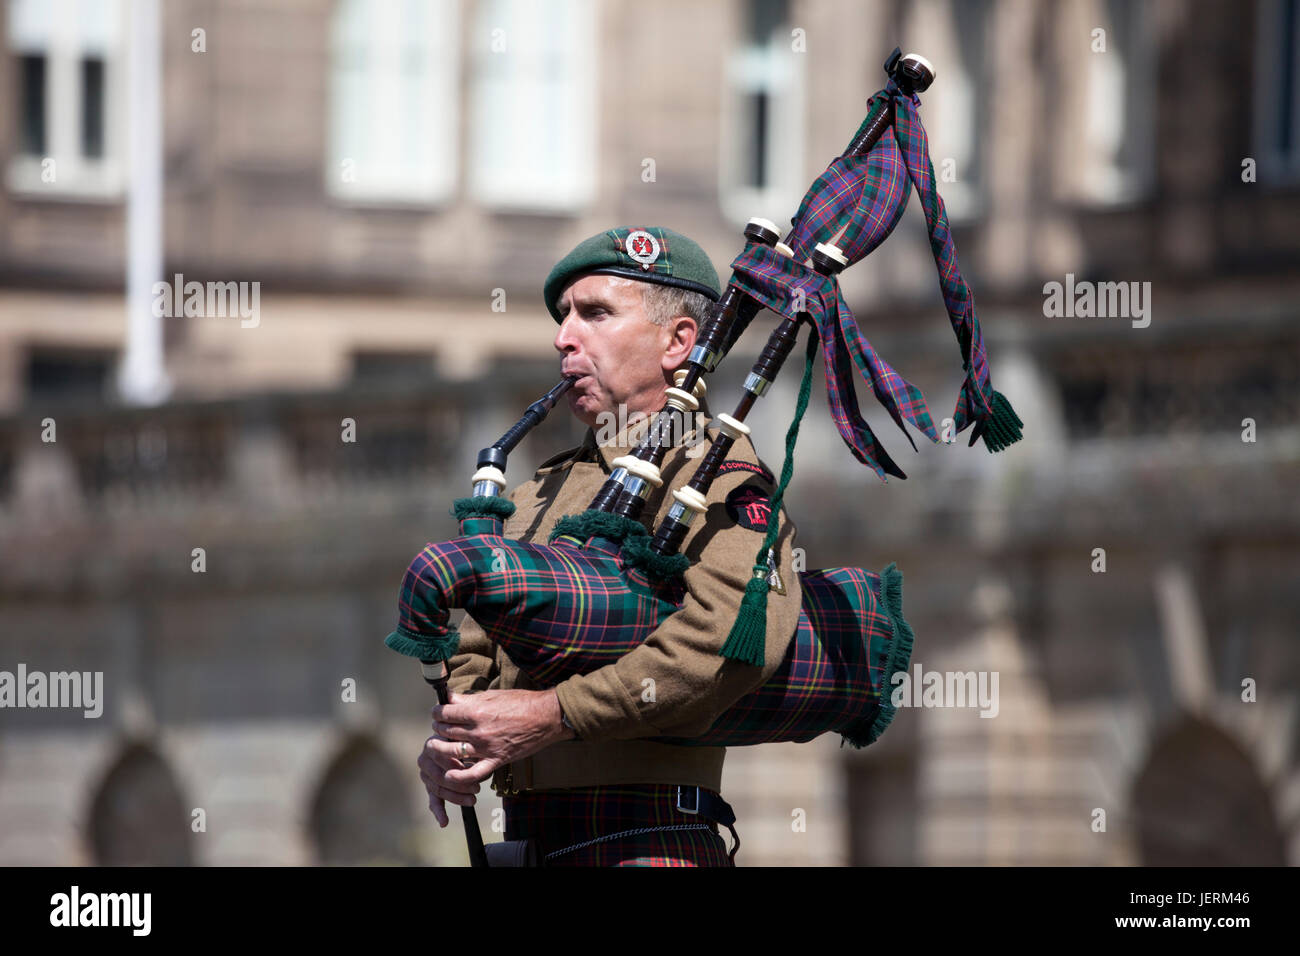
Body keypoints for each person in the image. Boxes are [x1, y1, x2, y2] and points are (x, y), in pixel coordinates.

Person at [416, 226, 803, 866]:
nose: (565, 337)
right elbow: (479, 650)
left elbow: (730, 644)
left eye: (596, 313)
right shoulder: (538, 491)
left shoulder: (721, 473)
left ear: (679, 342)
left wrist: (554, 714)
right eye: (564, 316)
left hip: (648, 841)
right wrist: (456, 744)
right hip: (532, 839)